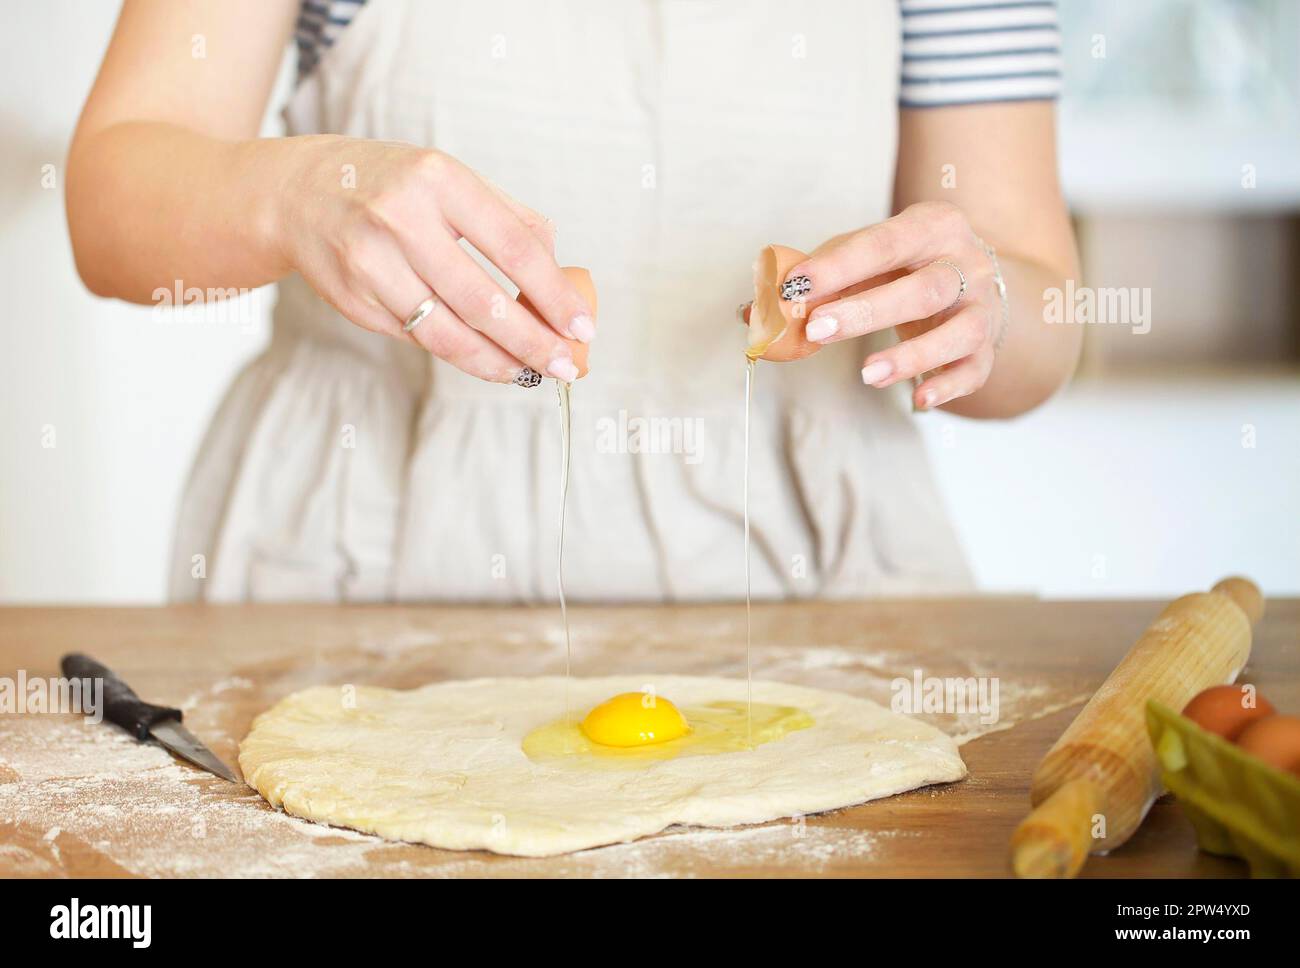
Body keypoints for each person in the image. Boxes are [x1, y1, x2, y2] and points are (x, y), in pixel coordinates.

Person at [66, 0, 1079, 603]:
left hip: (816, 574)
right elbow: (108, 213)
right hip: (355, 556)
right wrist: (296, 195)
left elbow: (1038, 324)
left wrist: (976, 304)